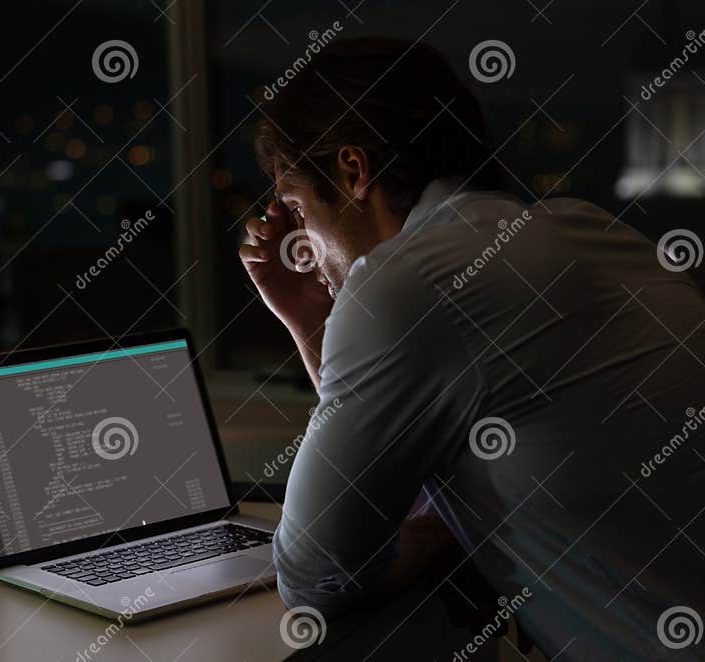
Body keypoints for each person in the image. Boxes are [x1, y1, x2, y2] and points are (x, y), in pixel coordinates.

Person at [241, 37, 705, 660]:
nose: (303, 244)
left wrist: (438, 537)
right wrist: (308, 318)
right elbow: (388, 458)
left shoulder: (406, 282)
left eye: (298, 209)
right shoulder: (585, 226)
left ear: (353, 171)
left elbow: (315, 575)